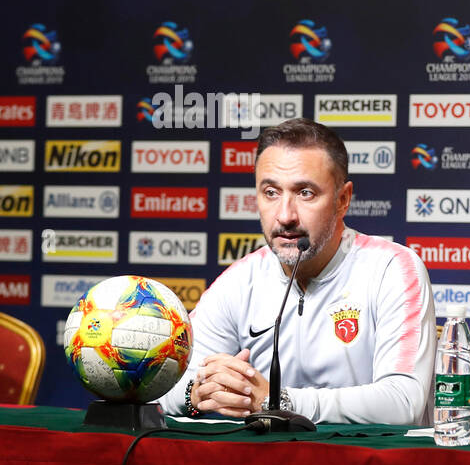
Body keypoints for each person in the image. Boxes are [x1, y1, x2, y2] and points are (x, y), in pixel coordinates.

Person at [159, 119, 435, 425]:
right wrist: (198, 393)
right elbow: (163, 387)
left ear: (342, 200)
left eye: (305, 193)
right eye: (271, 192)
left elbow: (403, 401)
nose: (285, 216)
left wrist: (278, 401)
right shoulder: (241, 280)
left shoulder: (391, 269)